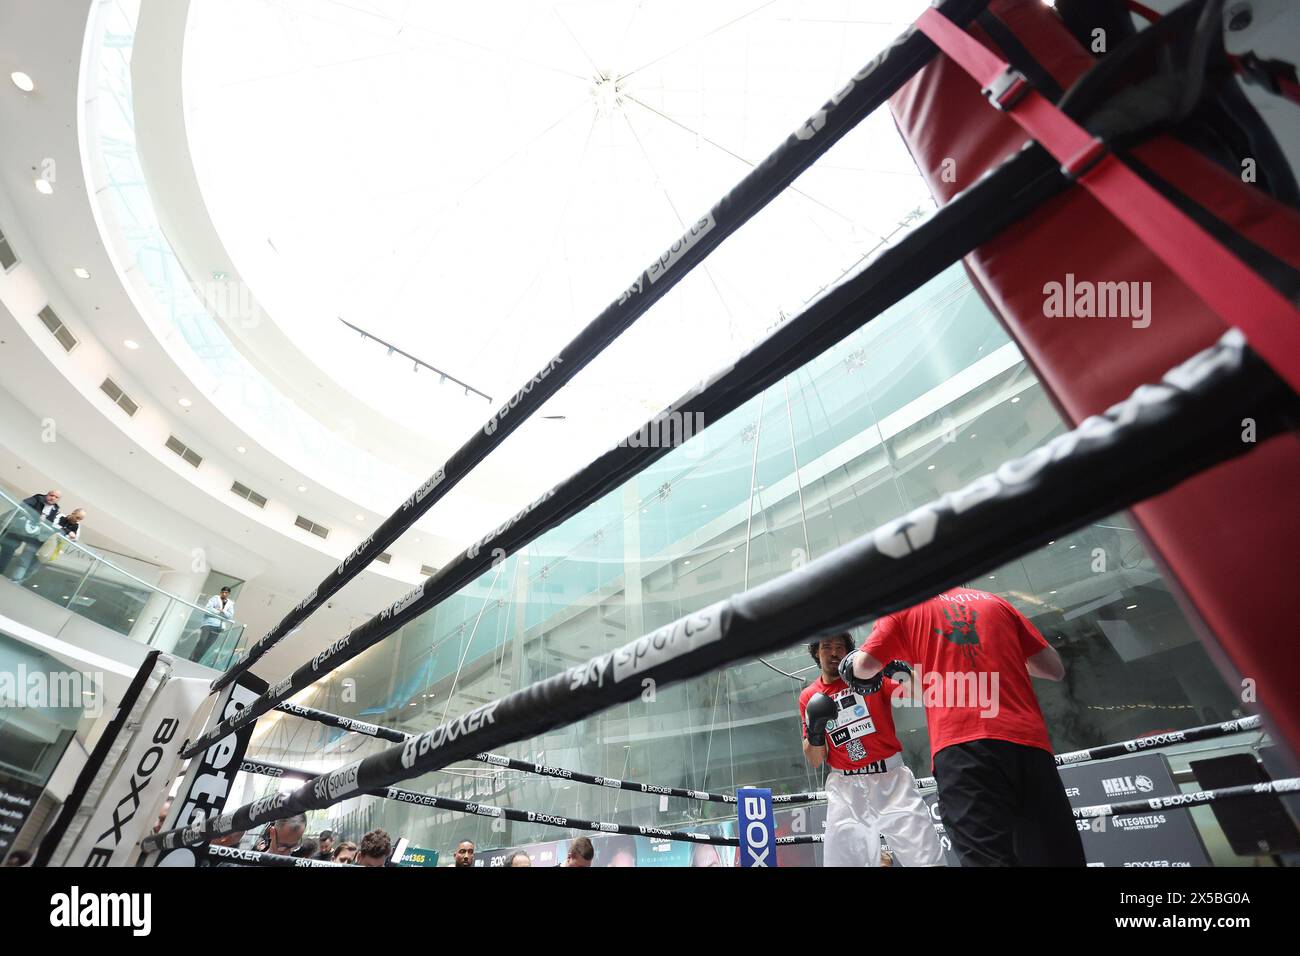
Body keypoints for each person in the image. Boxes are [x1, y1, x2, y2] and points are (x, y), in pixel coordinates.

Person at [841, 586, 1085, 867]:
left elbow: (864, 667)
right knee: (1056, 858)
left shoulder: (905, 606)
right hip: (1029, 747)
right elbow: (1054, 668)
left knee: (988, 861)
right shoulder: (996, 602)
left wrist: (855, 664)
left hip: (964, 750)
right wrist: (1001, 652)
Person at [800, 632, 943, 867]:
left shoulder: (868, 677)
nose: (834, 652)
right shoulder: (809, 696)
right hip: (845, 789)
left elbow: (925, 692)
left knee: (926, 858)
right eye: (827, 646)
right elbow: (816, 759)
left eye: (839, 646)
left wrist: (899, 671)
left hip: (891, 779)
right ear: (816, 652)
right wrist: (815, 731)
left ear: (848, 652)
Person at [1, 489, 60, 582]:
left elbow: (51, 526)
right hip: (17, 529)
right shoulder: (37, 498)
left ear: (58, 499)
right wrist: (37, 516)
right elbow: (23, 505)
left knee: (22, 556)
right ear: (47, 495)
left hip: (32, 536)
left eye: (56, 497)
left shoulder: (55, 511)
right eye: (51, 495)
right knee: (8, 548)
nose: (52, 498)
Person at [194, 586, 236, 663]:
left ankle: (196, 660)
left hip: (218, 627)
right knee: (202, 641)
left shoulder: (230, 604)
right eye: (222, 592)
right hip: (208, 624)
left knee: (208, 645)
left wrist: (222, 611)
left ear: (228, 594)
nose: (224, 594)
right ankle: (192, 657)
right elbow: (208, 609)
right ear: (220, 592)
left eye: (226, 593)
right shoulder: (214, 599)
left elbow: (230, 616)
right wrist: (219, 612)